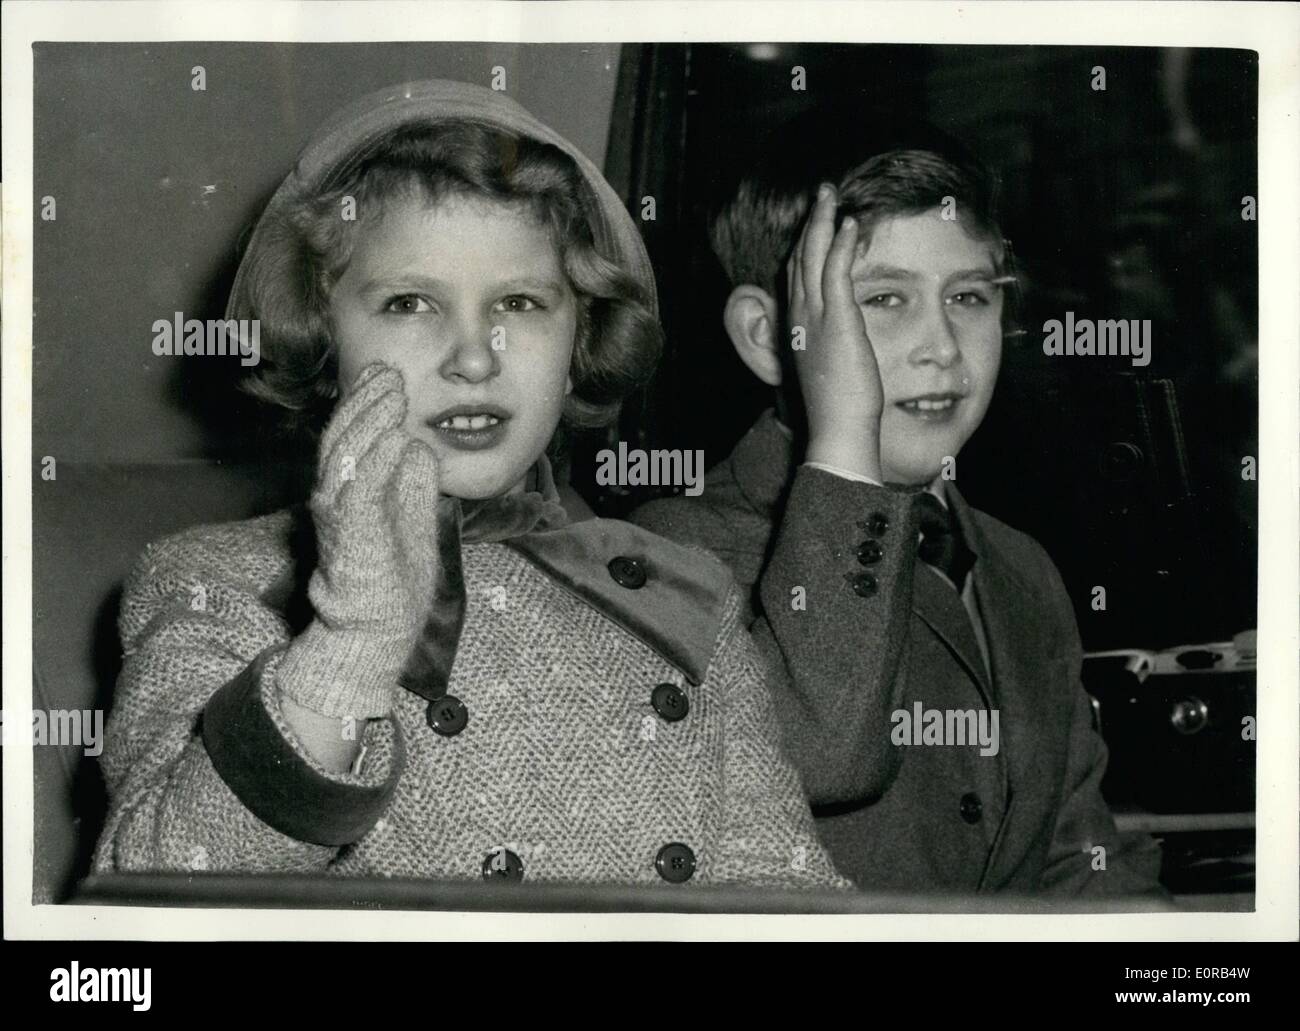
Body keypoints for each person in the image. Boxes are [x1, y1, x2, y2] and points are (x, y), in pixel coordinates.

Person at [92, 80, 849, 891]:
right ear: (321, 335)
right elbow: (155, 887)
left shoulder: (679, 596)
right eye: (411, 303)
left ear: (580, 340)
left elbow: (789, 894)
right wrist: (348, 647)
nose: (476, 357)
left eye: (519, 303)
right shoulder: (217, 584)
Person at [633, 137, 1166, 896]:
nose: (943, 347)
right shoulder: (669, 556)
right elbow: (825, 753)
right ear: (765, 336)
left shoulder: (1020, 569)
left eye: (969, 296)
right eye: (883, 299)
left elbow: (1073, 861)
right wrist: (845, 431)